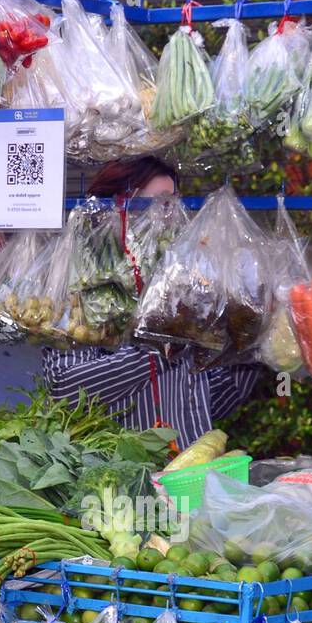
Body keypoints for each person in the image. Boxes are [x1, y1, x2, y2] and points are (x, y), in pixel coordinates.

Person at [39, 155, 261, 444]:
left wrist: (249, 345)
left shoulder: (183, 282)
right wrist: (159, 348)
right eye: (159, 203)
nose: (170, 215)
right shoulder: (86, 282)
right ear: (119, 208)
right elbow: (65, 386)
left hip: (187, 463)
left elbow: (217, 393)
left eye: (174, 203)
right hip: (114, 467)